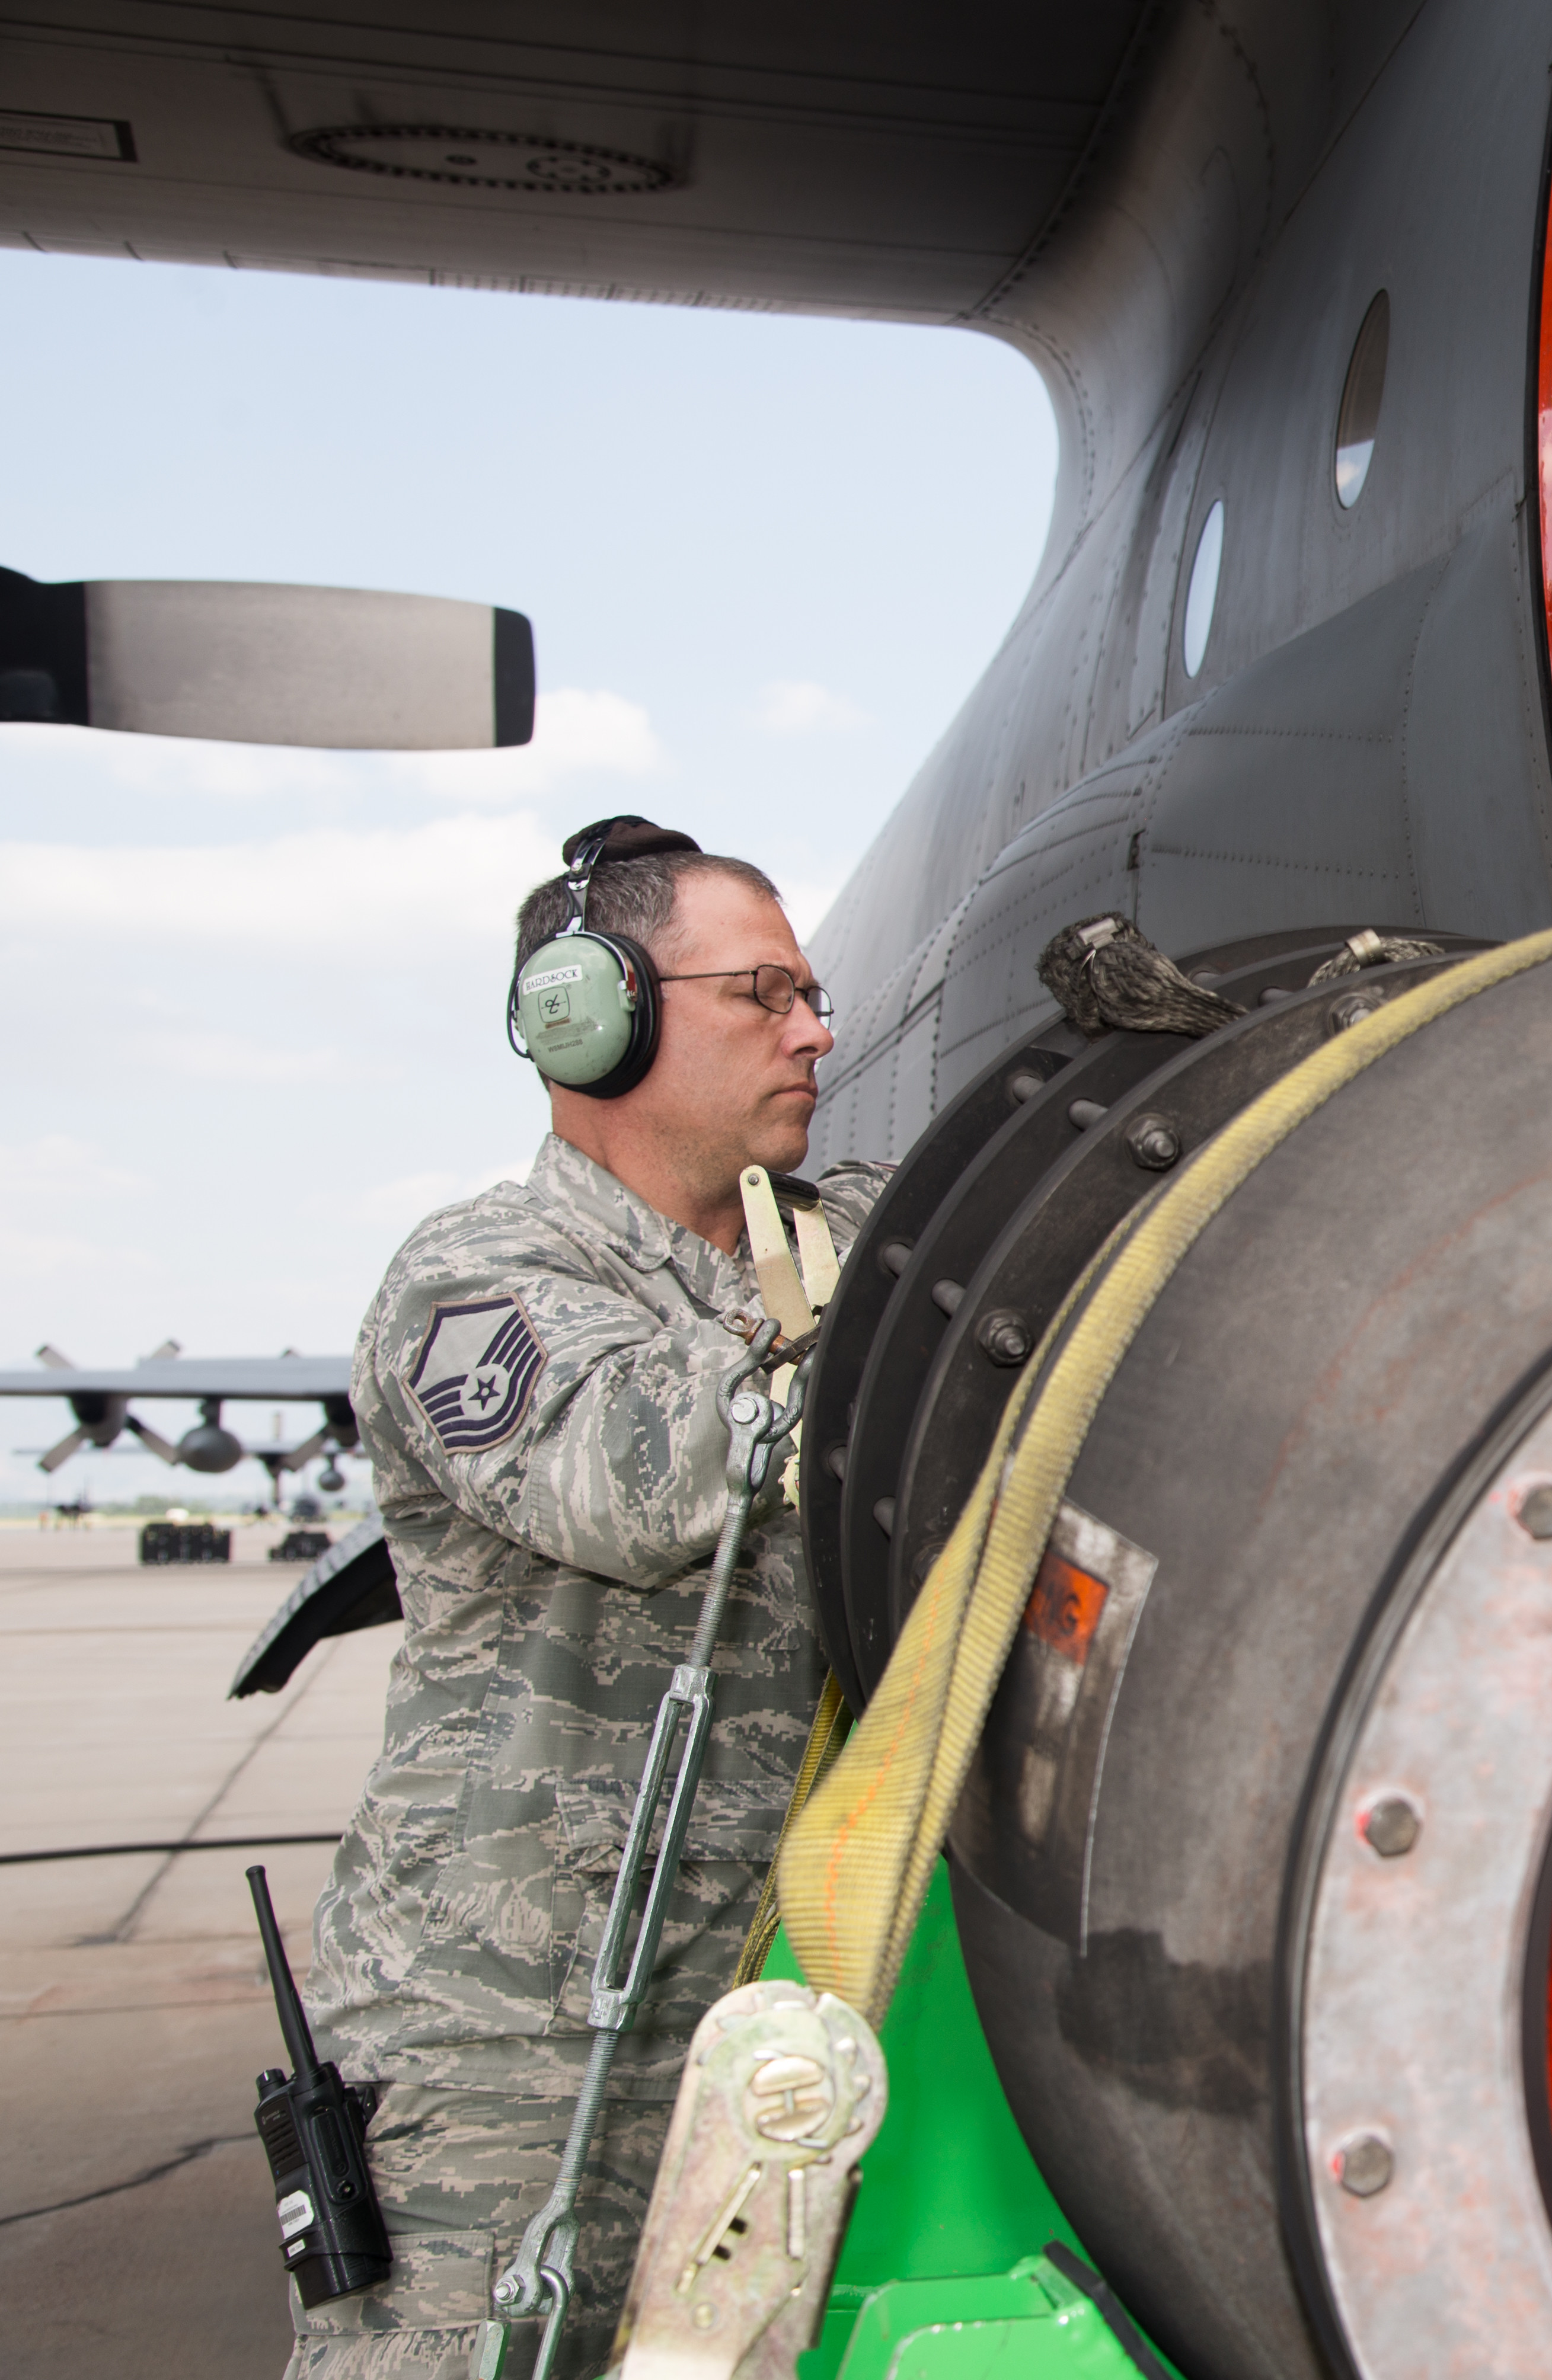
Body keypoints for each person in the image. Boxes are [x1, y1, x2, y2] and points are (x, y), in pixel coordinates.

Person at [288, 818, 887, 2377]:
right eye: (764, 995)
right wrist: (936, 1290)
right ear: (592, 1018)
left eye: (812, 994)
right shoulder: (480, 1279)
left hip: (768, 2024)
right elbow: (643, 1477)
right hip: (504, 2044)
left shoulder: (839, 1255)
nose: (818, 1032)